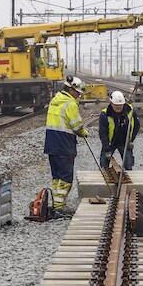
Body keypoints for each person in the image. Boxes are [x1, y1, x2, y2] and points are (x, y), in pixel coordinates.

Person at [44, 75, 89, 215]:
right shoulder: (70, 104)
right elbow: (77, 126)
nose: (79, 95)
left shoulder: (54, 101)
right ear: (72, 90)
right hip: (64, 144)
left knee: (56, 176)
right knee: (65, 177)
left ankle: (56, 203)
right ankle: (59, 206)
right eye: (78, 92)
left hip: (51, 143)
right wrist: (84, 133)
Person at [99, 90, 139, 170]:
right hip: (110, 143)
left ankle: (128, 176)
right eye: (116, 105)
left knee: (128, 164)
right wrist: (106, 148)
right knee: (104, 163)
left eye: (120, 105)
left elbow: (136, 126)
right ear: (111, 103)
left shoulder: (130, 111)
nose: (118, 107)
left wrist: (131, 140)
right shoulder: (105, 114)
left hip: (125, 142)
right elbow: (103, 133)